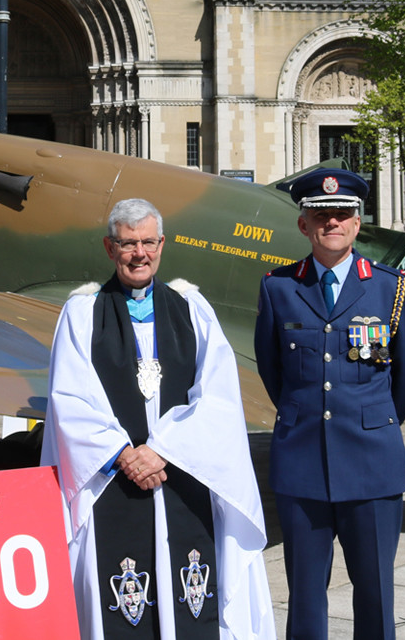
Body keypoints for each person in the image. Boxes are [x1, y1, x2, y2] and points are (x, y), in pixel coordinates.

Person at [40, 198, 275, 640]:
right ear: (109, 248)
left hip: (182, 480)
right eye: (128, 244)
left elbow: (219, 397)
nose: (139, 254)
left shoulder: (192, 308)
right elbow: (69, 399)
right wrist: (123, 454)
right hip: (113, 479)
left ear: (162, 245)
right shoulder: (83, 313)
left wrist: (161, 449)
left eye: (148, 242)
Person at [253, 168, 405, 640]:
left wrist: (371, 421)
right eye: (320, 214)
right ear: (303, 224)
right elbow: (273, 371)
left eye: (342, 213)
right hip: (302, 464)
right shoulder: (279, 287)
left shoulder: (392, 287)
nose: (332, 222)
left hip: (372, 466)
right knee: (305, 596)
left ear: (357, 222)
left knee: (375, 593)